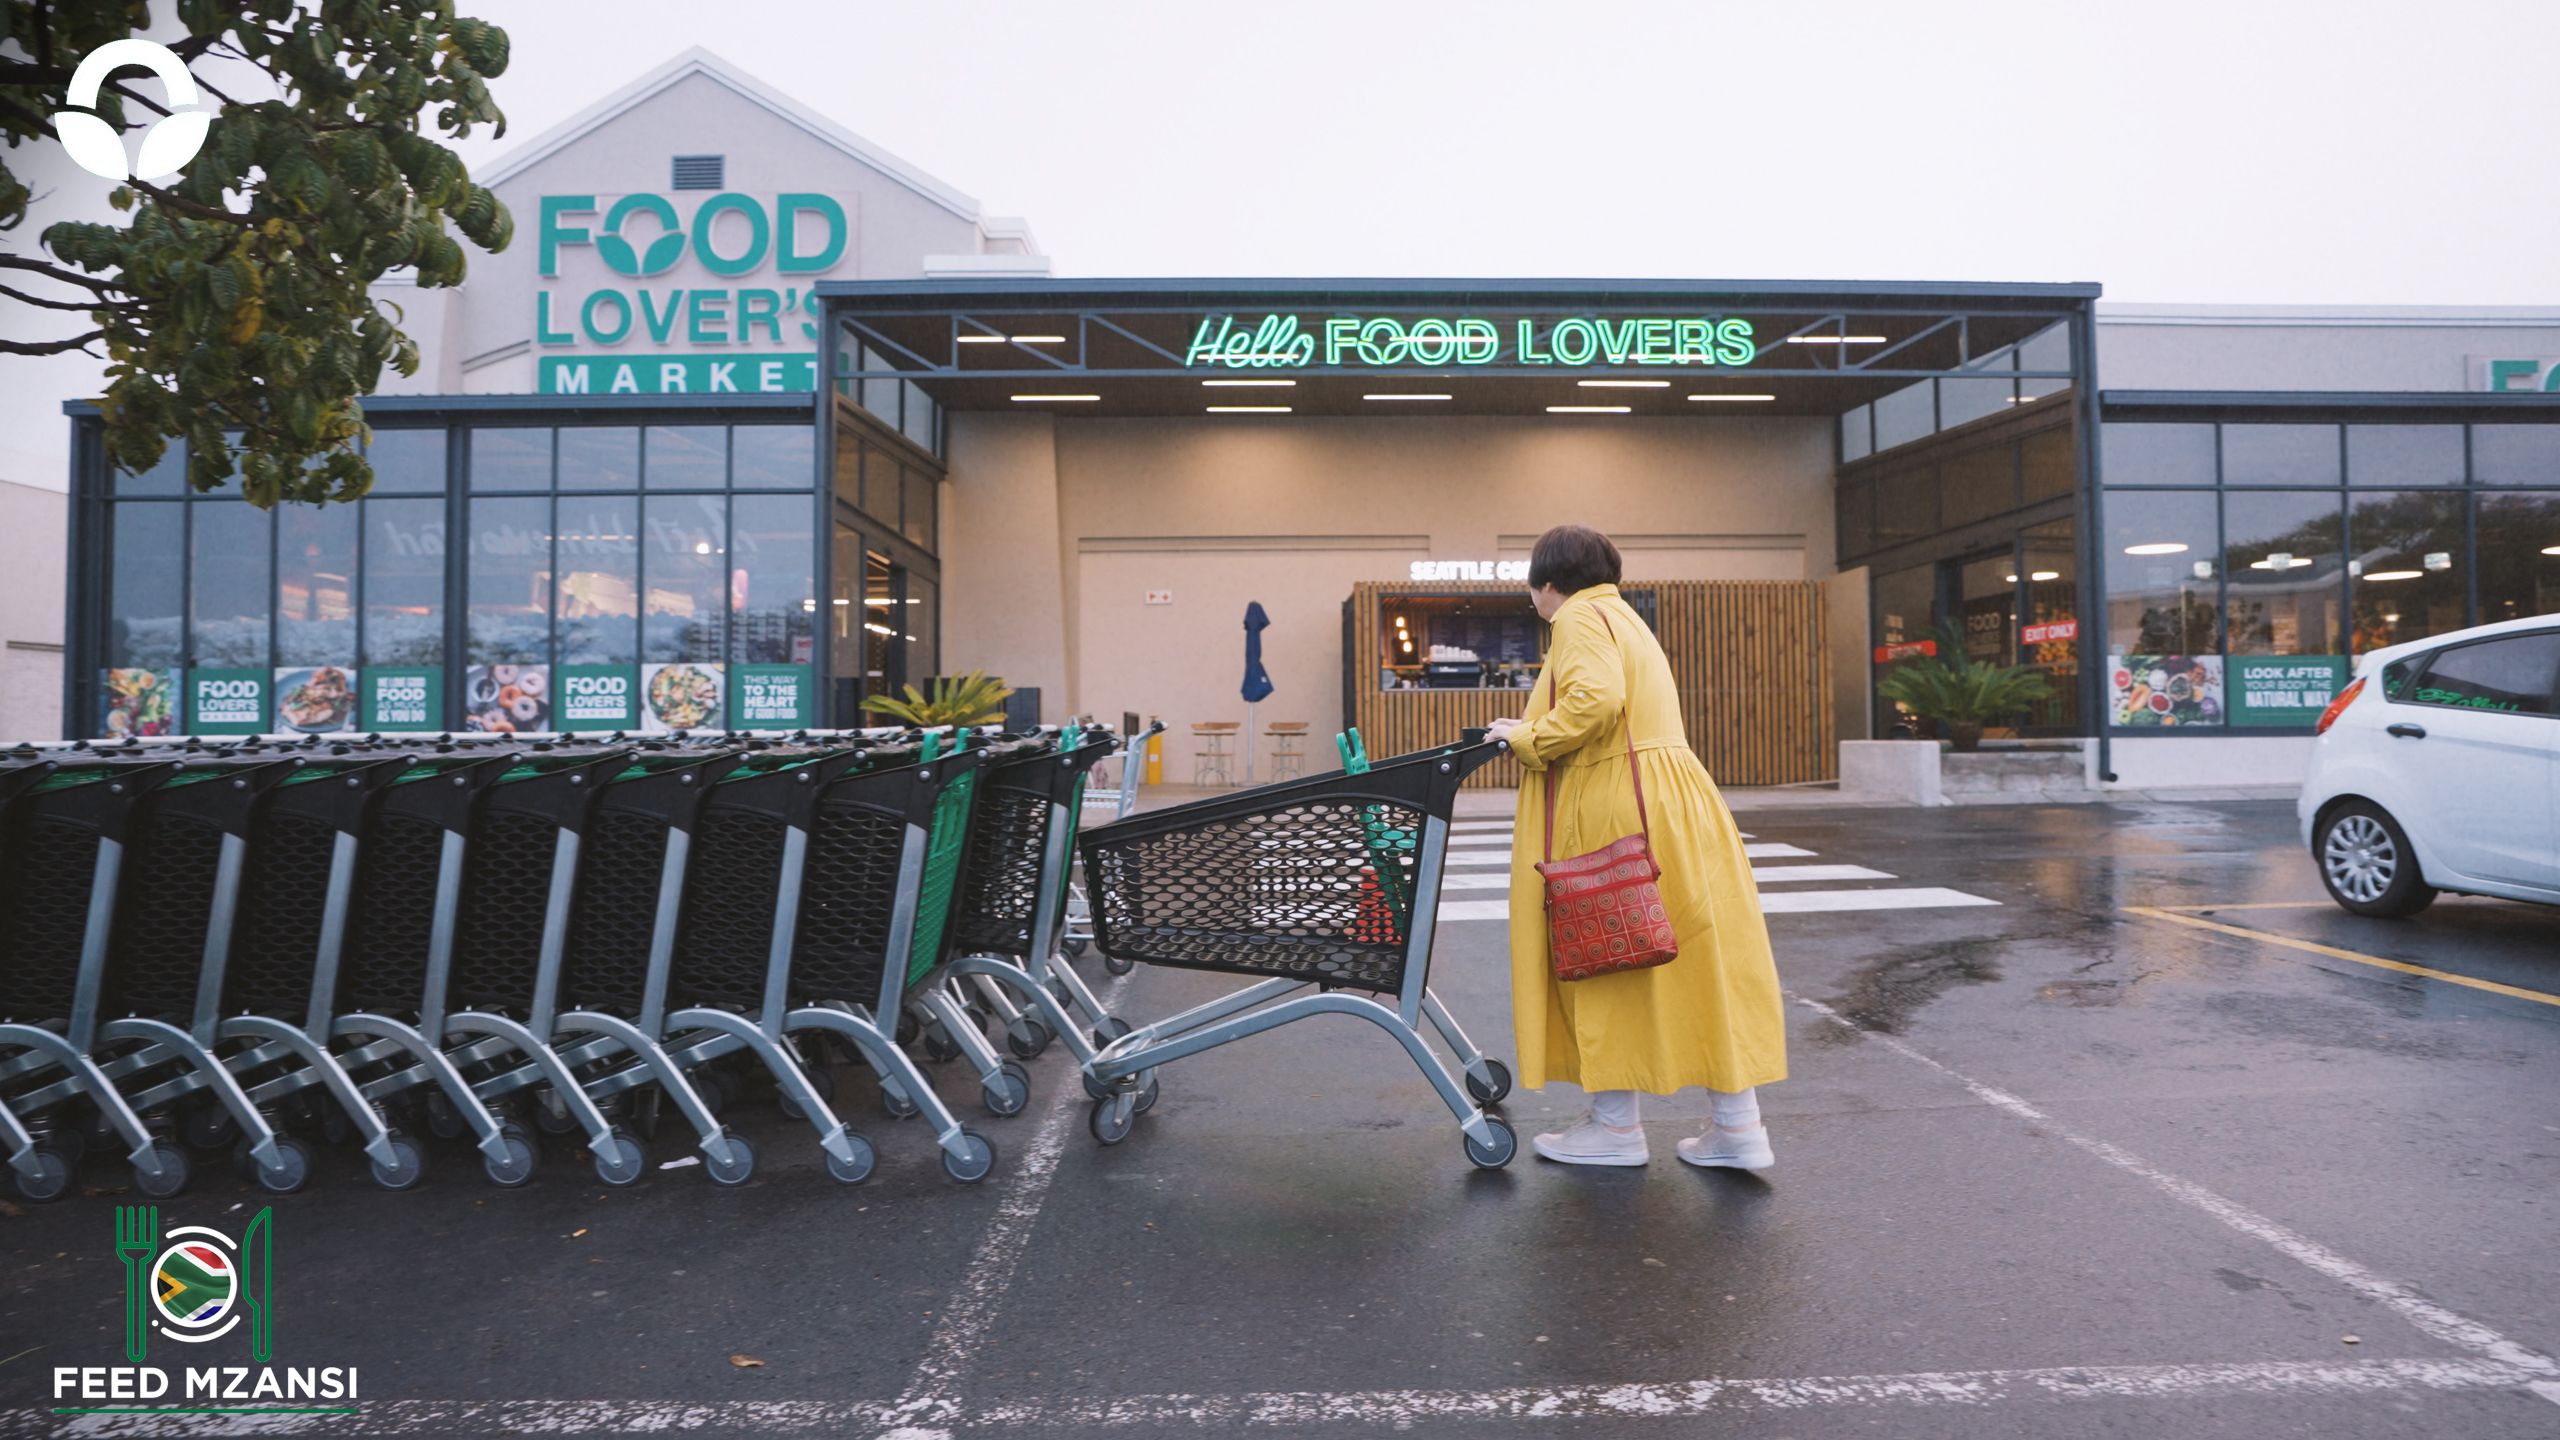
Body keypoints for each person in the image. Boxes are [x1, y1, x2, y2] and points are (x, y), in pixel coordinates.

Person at [1485, 525, 1787, 1169]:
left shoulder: (1575, 617)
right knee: (1699, 962)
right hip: (1676, 799)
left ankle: (1614, 1127)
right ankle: (1738, 1126)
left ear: (1546, 582)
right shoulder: (1625, 618)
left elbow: (1596, 700)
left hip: (1617, 802)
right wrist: (1529, 726)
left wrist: (1528, 739)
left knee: (1605, 950)